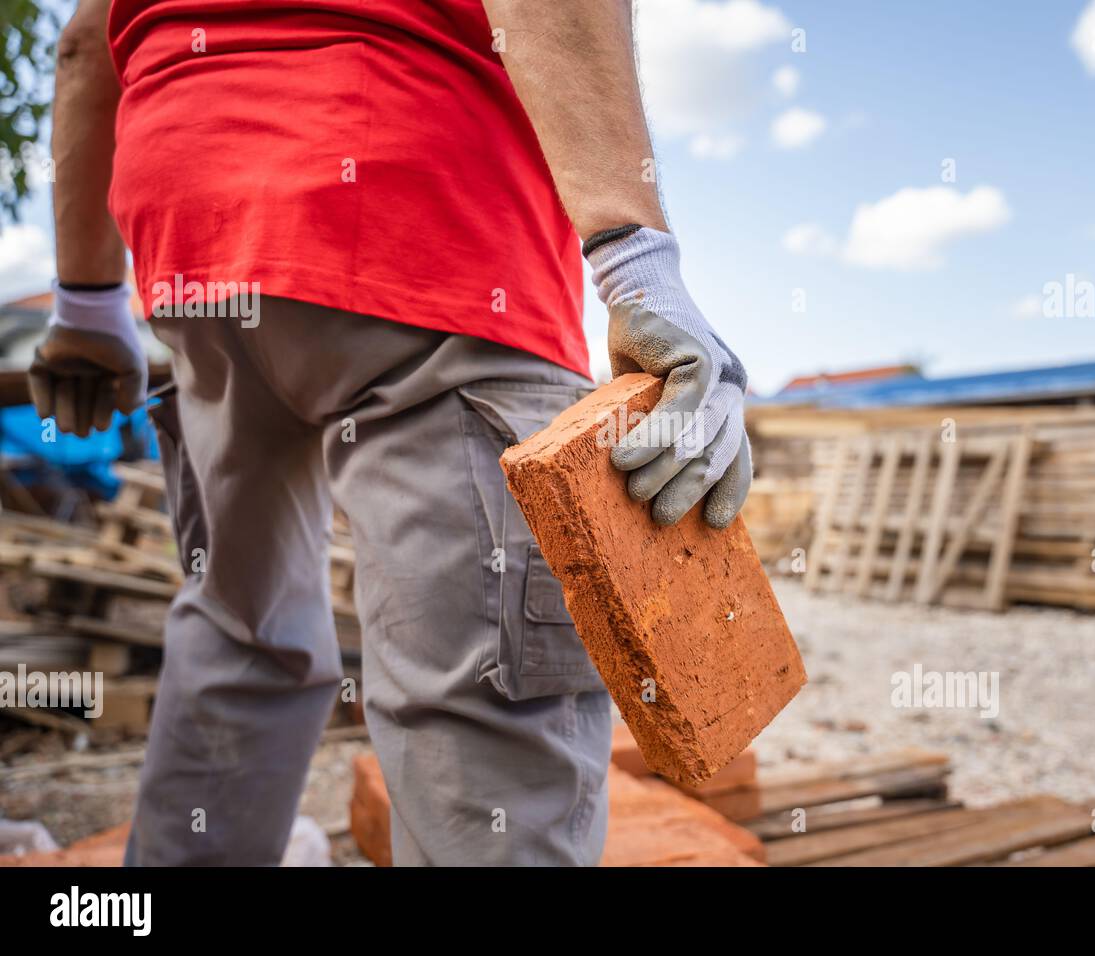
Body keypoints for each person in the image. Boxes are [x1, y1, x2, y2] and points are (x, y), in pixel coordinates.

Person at [29, 0, 751, 866]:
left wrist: (88, 301)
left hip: (197, 253)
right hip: (426, 228)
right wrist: (638, 267)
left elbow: (84, 48)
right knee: (480, 698)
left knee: (238, 637)